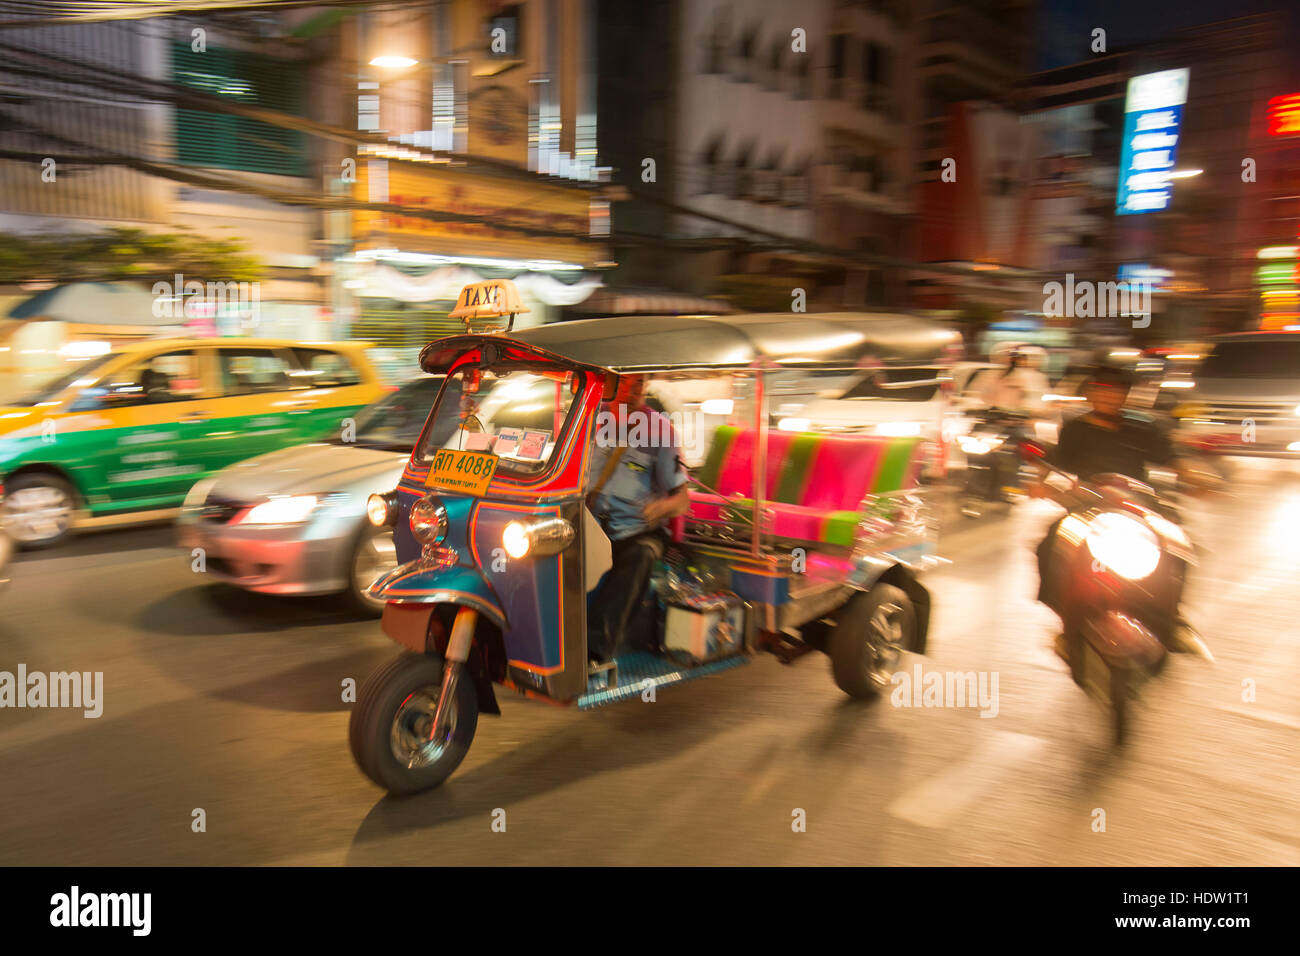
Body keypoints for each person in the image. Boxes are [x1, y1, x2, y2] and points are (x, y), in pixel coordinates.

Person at [585, 373, 691, 664]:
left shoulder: (662, 431)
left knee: (639, 558)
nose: (633, 388)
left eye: (640, 381)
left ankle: (594, 650)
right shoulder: (588, 420)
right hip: (589, 525)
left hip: (637, 533)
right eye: (625, 380)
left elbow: (682, 500)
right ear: (609, 382)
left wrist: (659, 509)